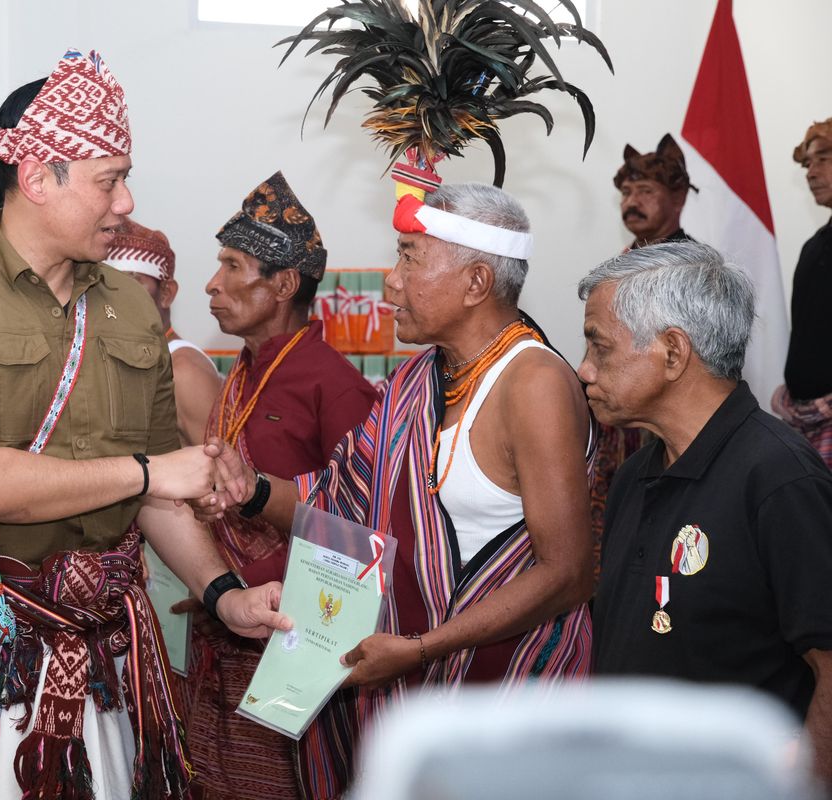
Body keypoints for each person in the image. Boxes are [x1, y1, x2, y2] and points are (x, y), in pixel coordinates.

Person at [0, 49, 287, 800]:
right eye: (108, 179)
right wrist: (151, 472)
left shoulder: (128, 307)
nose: (126, 201)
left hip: (107, 647)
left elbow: (161, 493)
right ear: (38, 178)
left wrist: (224, 593)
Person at [199, 182, 595, 798]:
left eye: (410, 258)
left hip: (506, 699)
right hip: (420, 694)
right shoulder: (415, 380)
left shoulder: (533, 383)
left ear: (476, 283)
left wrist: (421, 649)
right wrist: (249, 490)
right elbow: (335, 504)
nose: (391, 281)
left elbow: (568, 573)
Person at [580, 240, 832, 785]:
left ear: (673, 353)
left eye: (600, 348)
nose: (585, 370)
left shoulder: (779, 480)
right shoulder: (634, 474)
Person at [176, 172, 377, 800]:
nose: (212, 284)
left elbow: (362, 533)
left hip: (292, 645)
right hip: (223, 630)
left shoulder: (335, 387)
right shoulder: (240, 372)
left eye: (233, 266)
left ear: (285, 284)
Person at [590, 135, 700, 565]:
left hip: (666, 423)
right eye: (627, 192)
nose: (632, 201)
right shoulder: (624, 262)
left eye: (646, 191)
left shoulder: (693, 269)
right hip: (617, 424)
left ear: (678, 197)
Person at [107, 217, 222, 446]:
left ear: (166, 293)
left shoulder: (184, 372)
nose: (114, 297)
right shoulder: (123, 358)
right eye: (107, 285)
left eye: (131, 283)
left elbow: (219, 465)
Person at [773, 118, 832, 467]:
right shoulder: (814, 246)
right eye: (808, 163)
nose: (811, 172)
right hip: (804, 423)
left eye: (823, 158)